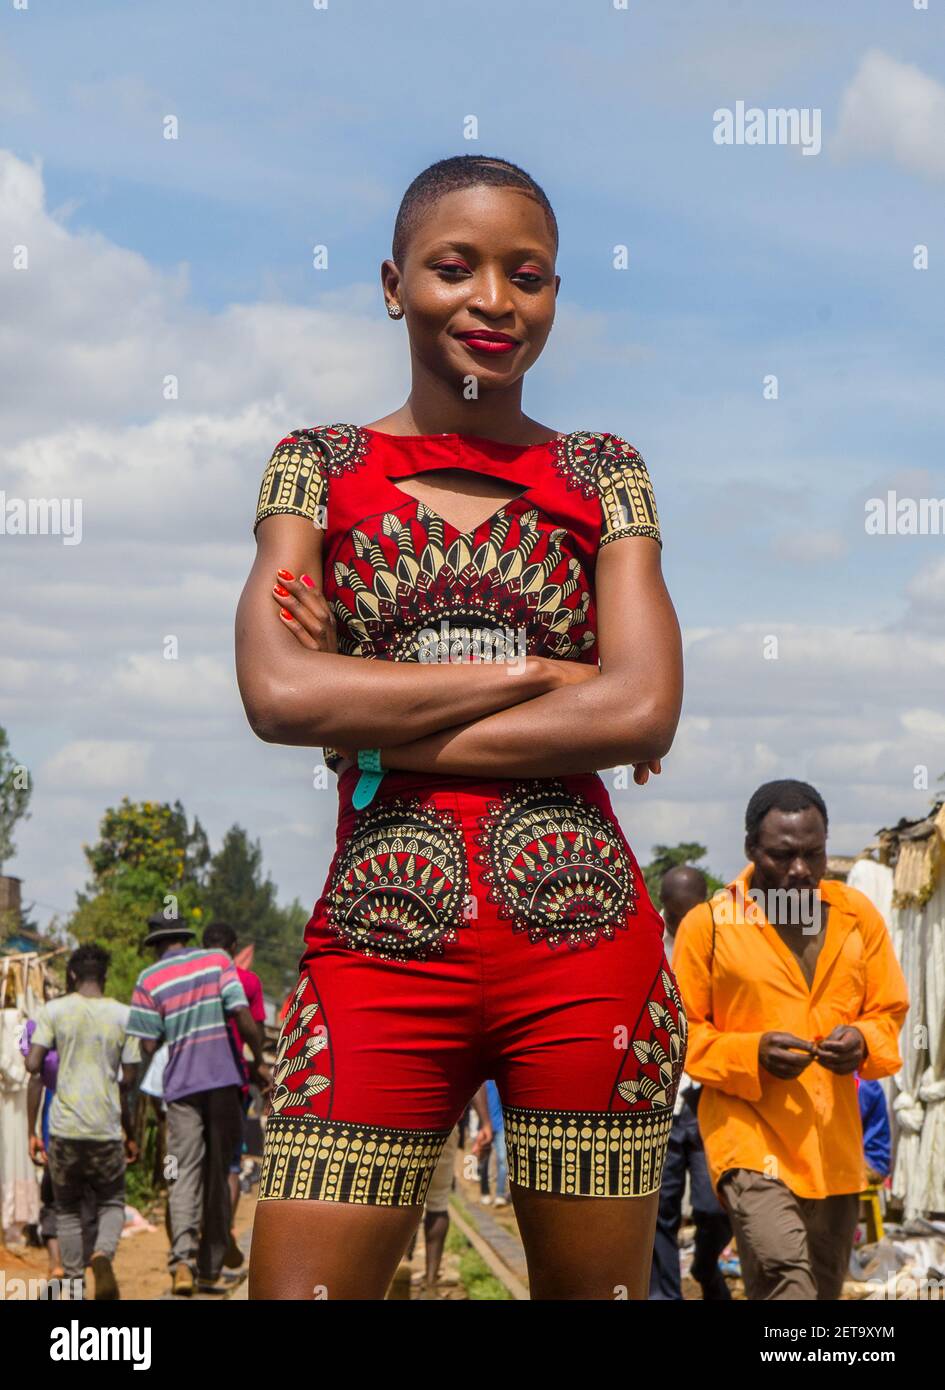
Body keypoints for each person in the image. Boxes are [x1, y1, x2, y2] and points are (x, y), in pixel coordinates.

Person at [238, 153, 686, 1300]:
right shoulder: (322, 466)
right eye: (456, 267)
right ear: (395, 285)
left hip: (587, 950)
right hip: (380, 951)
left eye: (528, 275)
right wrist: (549, 671)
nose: (494, 299)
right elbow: (281, 696)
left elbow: (642, 705)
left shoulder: (602, 471)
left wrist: (372, 723)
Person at [672, 779, 910, 1301]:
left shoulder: (857, 917)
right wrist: (749, 1053)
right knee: (787, 1274)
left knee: (814, 1292)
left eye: (813, 854)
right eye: (783, 856)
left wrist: (862, 1042)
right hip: (748, 1138)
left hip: (833, 1148)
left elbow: (889, 1013)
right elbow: (677, 1036)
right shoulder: (708, 927)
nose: (800, 870)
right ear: (751, 851)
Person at [126, 913, 268, 1296]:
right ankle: (211, 1263)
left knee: (182, 1173)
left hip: (181, 1090)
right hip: (223, 1083)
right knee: (220, 1172)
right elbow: (241, 1016)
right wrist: (257, 1062)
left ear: (155, 945)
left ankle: (182, 1262)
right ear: (184, 939)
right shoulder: (217, 961)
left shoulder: (149, 979)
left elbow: (148, 1045)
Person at [25, 945, 140, 1301]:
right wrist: (131, 1133)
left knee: (68, 1209)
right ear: (104, 975)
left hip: (64, 1130)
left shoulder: (54, 1011)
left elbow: (32, 1067)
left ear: (72, 975)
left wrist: (31, 1131)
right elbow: (129, 1081)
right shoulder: (125, 1015)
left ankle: (73, 1285)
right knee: (110, 1203)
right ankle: (102, 1253)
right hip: (105, 1129)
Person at [649, 866, 731, 1301]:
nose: (684, 928)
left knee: (713, 1205)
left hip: (708, 1092)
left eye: (691, 916)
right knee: (660, 1209)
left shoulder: (725, 941)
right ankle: (665, 1295)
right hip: (661, 1096)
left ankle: (705, 1264)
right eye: (677, 919)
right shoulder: (647, 945)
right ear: (666, 909)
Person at [200, 920, 267, 1266]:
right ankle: (222, 1230)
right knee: (230, 1164)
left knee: (192, 1163)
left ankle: (192, 1241)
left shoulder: (188, 979)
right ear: (233, 947)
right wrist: (258, 1064)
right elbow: (253, 1027)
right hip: (231, 1083)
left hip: (188, 1085)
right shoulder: (246, 981)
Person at [478, 1080, 509, 1208]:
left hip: (501, 1126)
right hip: (485, 1126)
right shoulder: (483, 1083)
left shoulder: (503, 1081)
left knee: (502, 1160)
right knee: (484, 1159)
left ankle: (500, 1195)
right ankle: (485, 1192)